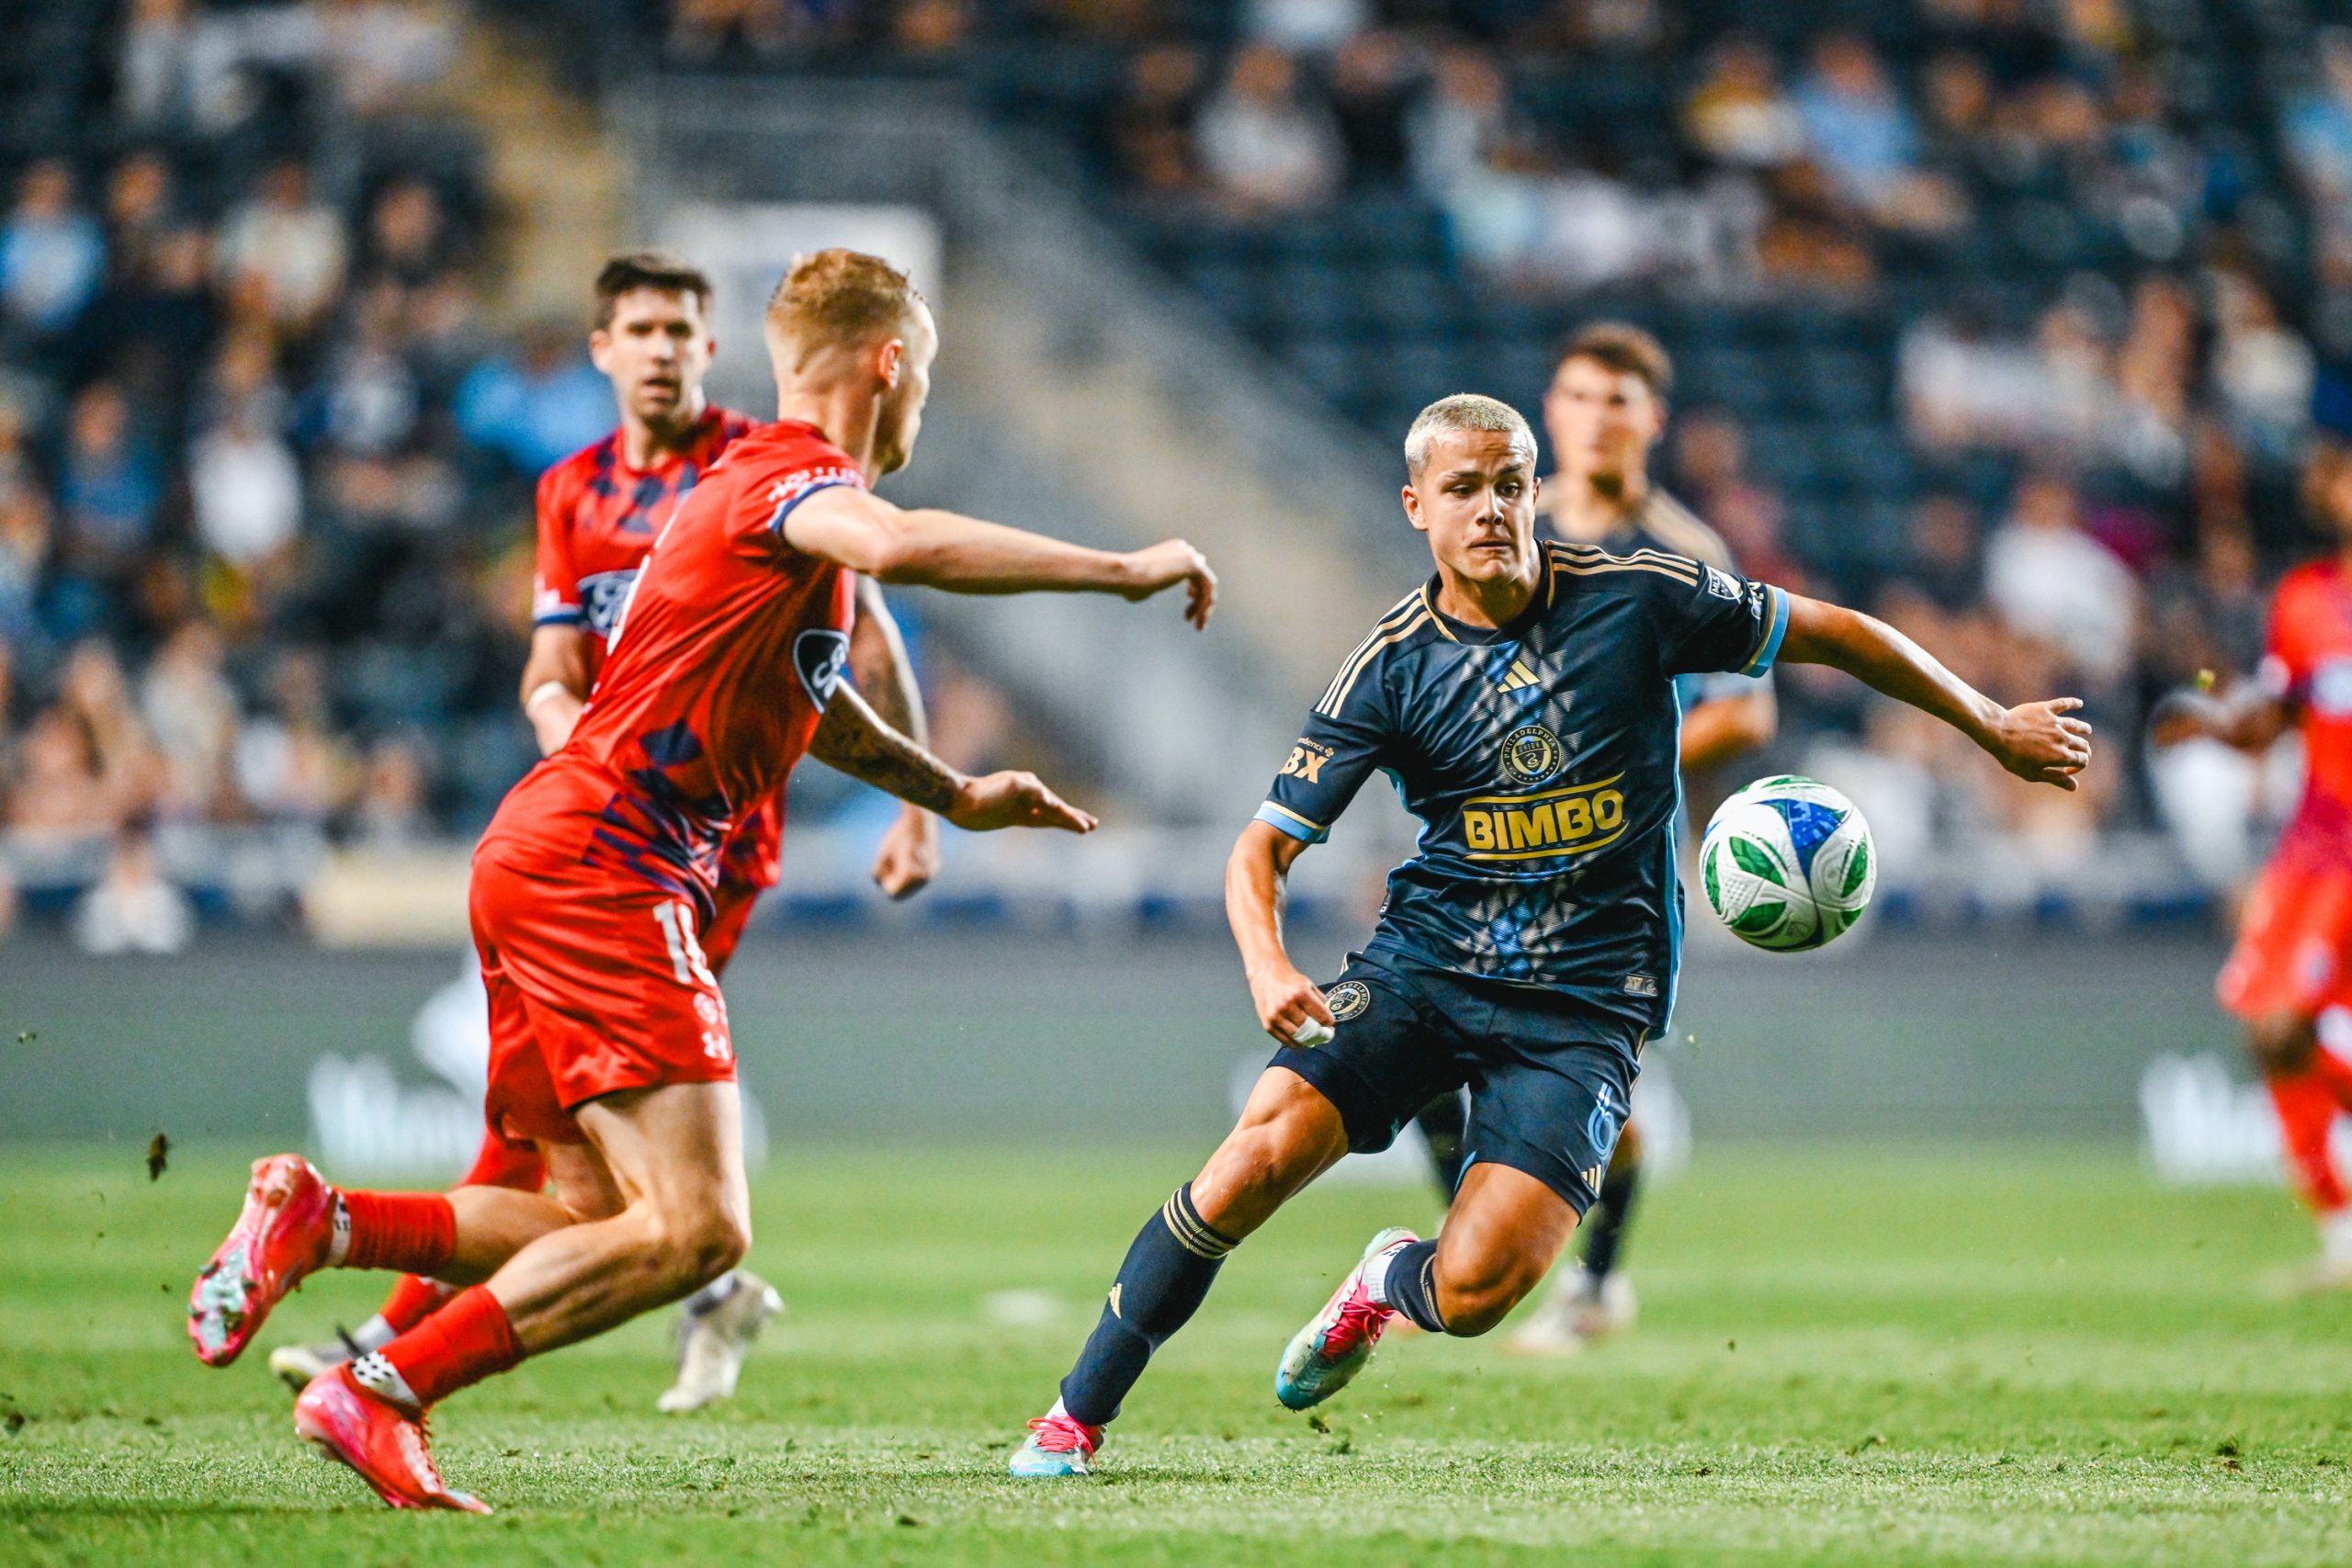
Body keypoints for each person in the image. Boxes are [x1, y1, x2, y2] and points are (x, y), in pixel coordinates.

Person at [186, 247, 1219, 1511]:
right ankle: (381, 1386)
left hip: (544, 847)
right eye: (929, 376)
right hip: (613, 860)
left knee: (581, 1205)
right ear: (890, 366)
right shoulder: (797, 475)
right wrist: (1119, 569)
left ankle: (321, 1220)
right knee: (700, 1227)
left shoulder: (740, 483)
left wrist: (949, 793)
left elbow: (816, 698)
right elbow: (896, 549)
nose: (926, 401)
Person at [1006, 392, 2089, 1477]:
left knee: (1475, 1296)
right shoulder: (1389, 665)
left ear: (1536, 490)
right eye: (1464, 489)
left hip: (1585, 1008)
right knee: (1253, 1159)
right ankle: (1073, 1417)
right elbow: (1261, 850)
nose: (1490, 508)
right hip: (1427, 965)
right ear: (1416, 504)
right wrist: (1267, 963)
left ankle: (1388, 1282)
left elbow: (1831, 632)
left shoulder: (1638, 600)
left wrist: (1989, 723)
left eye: (1510, 483)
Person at [266, 252, 939, 1412]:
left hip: (704, 846)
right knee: (570, 1150)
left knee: (594, 1157)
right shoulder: (570, 492)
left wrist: (929, 806)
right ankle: (411, 1342)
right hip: (609, 831)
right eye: (641, 328)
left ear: (710, 345)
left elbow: (855, 630)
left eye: (683, 327)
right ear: (604, 350)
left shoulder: (760, 463)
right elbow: (552, 664)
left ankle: (381, 1340)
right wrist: (569, 726)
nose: (665, 347)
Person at [1409, 322, 1777, 1356]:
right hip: (1494, 847)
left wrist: (1612, 757)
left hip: (1616, 867)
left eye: (1618, 400)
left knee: (1595, 1097)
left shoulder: (1686, 552)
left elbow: (1748, 713)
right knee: (1434, 1057)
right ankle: (1472, 1248)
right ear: (1550, 411)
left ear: (1650, 420)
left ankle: (1592, 1285)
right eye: (1576, 396)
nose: (1595, 417)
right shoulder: (1506, 525)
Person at [2152, 446, 2352, 1289]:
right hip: (2315, 838)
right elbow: (2278, 718)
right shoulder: (2305, 600)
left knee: (2288, 1026)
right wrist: (2213, 724)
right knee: (2268, 1033)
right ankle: (2343, 1237)